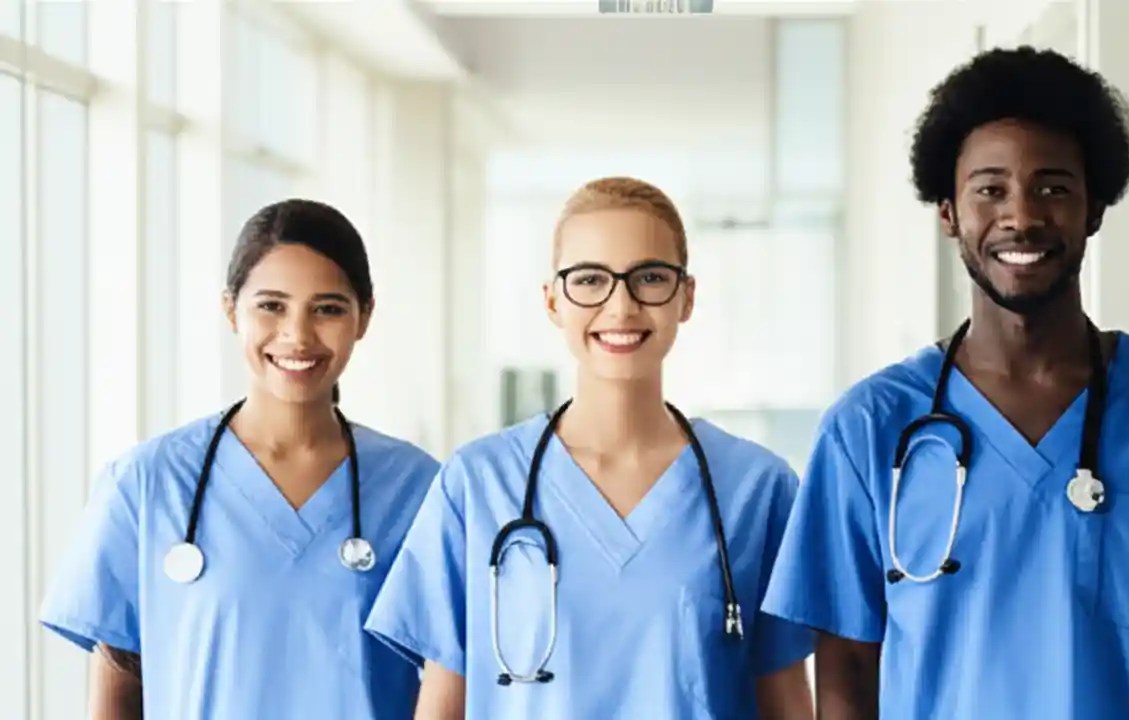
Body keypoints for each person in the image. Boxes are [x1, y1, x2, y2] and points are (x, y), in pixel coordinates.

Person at [761, 47, 1129, 720]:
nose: (1022, 216)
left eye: (1053, 187)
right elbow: (848, 669)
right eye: (990, 189)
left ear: (1095, 208)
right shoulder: (869, 427)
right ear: (948, 211)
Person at [365, 177, 816, 719]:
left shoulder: (756, 489)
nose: (620, 305)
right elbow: (441, 706)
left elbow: (788, 705)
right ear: (552, 300)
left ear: (686, 296)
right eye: (590, 280)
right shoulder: (478, 484)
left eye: (649, 277)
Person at [40, 199, 441, 719]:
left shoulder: (419, 488)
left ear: (363, 316)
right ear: (231, 310)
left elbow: (453, 682)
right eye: (271, 305)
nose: (298, 335)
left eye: (328, 308)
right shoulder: (148, 481)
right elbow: (116, 693)